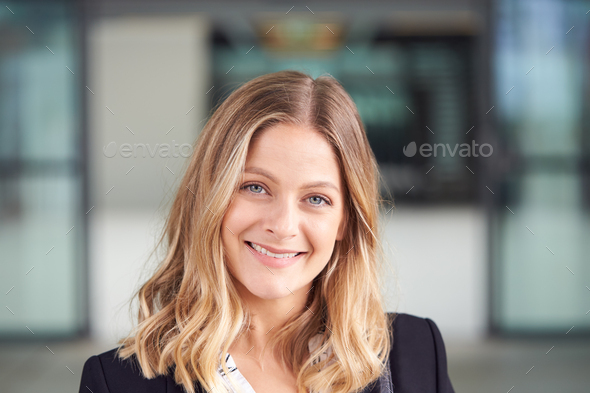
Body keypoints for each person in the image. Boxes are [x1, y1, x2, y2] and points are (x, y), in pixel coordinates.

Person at [79, 70, 456, 393]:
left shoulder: (415, 354)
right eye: (255, 187)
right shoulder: (117, 381)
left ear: (345, 221)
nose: (282, 225)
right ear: (210, 198)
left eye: (316, 198)